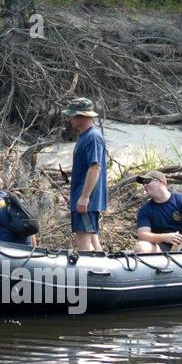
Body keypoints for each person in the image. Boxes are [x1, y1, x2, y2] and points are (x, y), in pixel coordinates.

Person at [63, 97, 107, 252]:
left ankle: (89, 274)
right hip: (83, 197)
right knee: (93, 239)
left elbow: (95, 167)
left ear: (82, 116)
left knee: (83, 239)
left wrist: (85, 196)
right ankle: (103, 271)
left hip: (87, 200)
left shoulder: (92, 137)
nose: (70, 119)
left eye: (72, 115)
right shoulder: (86, 136)